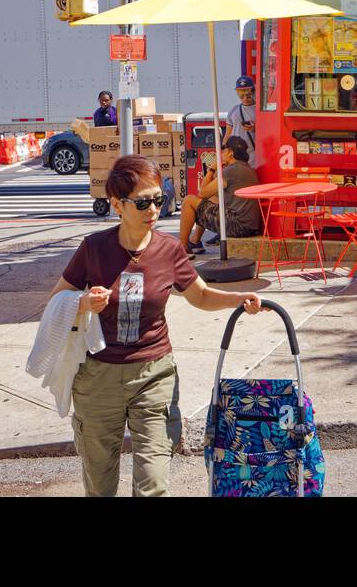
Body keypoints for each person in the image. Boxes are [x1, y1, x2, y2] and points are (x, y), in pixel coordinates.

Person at [47, 154, 265, 497]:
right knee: (100, 484)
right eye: (142, 202)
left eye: (158, 200)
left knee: (153, 484)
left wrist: (237, 299)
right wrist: (83, 303)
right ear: (117, 204)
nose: (152, 210)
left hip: (154, 375)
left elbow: (199, 295)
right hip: (98, 378)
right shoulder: (94, 248)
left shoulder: (169, 249)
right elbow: (58, 298)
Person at [180, 137, 262, 252]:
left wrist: (212, 169)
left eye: (224, 150)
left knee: (189, 200)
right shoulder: (247, 169)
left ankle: (182, 247)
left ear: (231, 153)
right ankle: (195, 241)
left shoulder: (231, 170)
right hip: (250, 226)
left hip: (237, 225)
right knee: (209, 201)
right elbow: (208, 195)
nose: (221, 153)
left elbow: (202, 192)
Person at [225, 76, 258, 168]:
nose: (245, 98)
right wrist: (224, 153)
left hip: (254, 157)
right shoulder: (233, 110)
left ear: (253, 92)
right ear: (237, 94)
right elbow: (227, 135)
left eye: (248, 95)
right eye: (241, 96)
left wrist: (256, 129)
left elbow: (269, 131)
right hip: (235, 157)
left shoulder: (260, 110)